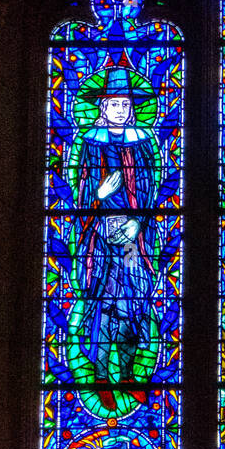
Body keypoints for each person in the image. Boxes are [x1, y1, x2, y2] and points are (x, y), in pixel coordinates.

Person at [71, 66, 159, 382]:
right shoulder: (92, 144)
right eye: (113, 103)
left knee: (133, 299)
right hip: (100, 234)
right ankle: (103, 370)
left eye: (125, 104)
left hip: (134, 237)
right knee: (104, 298)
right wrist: (100, 194)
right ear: (102, 107)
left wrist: (137, 223)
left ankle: (125, 370)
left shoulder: (143, 144)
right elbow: (81, 193)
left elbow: (150, 189)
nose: (120, 110)